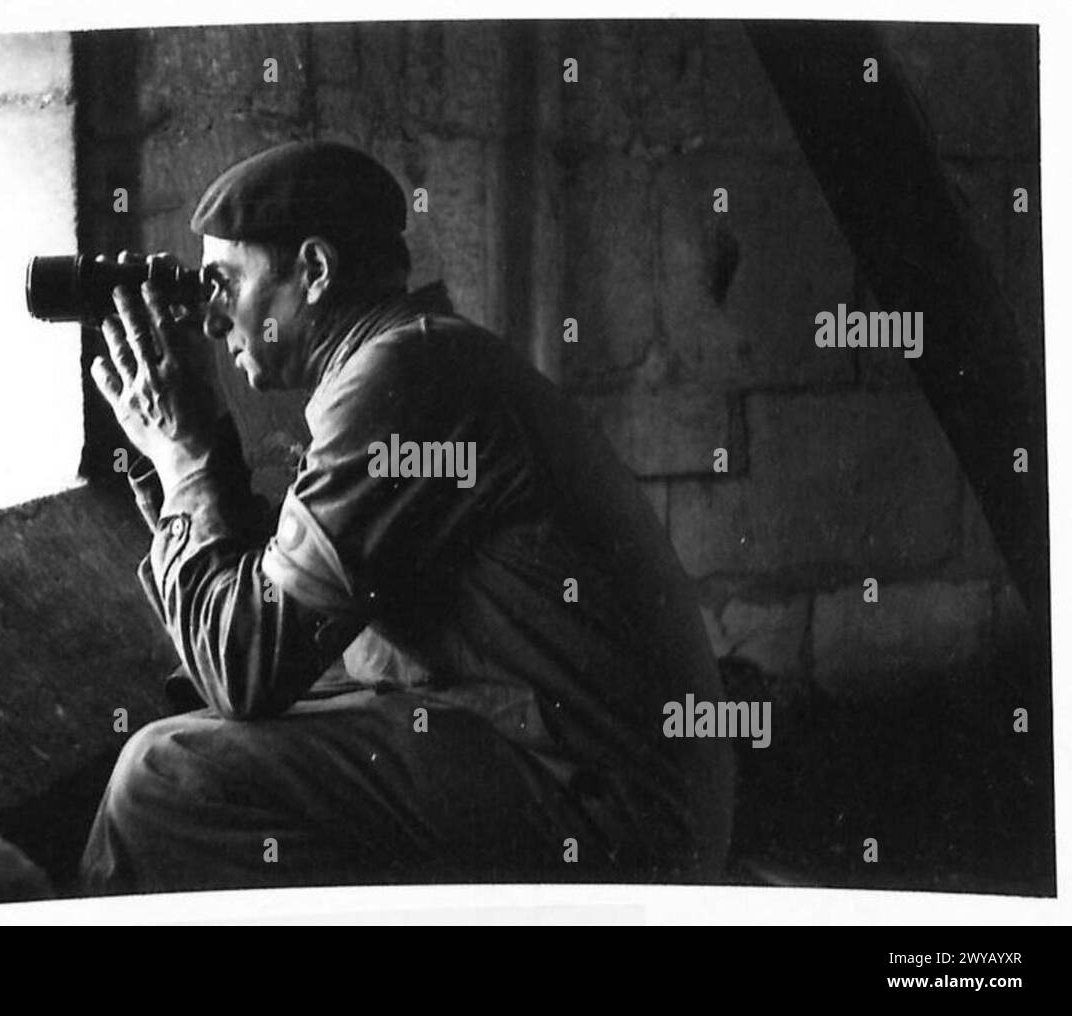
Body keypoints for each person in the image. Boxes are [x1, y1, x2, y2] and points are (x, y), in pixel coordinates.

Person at [79, 140, 734, 893]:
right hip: (597, 778)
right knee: (200, 717)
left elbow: (246, 666)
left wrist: (187, 457)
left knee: (163, 774)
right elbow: (287, 608)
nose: (211, 313)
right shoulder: (420, 362)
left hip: (613, 819)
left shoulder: (401, 379)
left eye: (225, 281)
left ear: (315, 272)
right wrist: (201, 461)